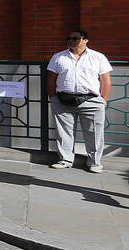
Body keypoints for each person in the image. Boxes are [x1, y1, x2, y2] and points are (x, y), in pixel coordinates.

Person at [47, 29, 112, 173]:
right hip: (63, 99)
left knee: (94, 133)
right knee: (64, 133)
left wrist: (103, 100)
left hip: (91, 100)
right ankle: (65, 159)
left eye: (75, 38)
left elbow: (106, 81)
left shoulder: (98, 57)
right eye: (68, 38)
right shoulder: (58, 57)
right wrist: (53, 98)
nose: (71, 41)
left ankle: (94, 162)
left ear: (85, 40)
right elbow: (51, 79)